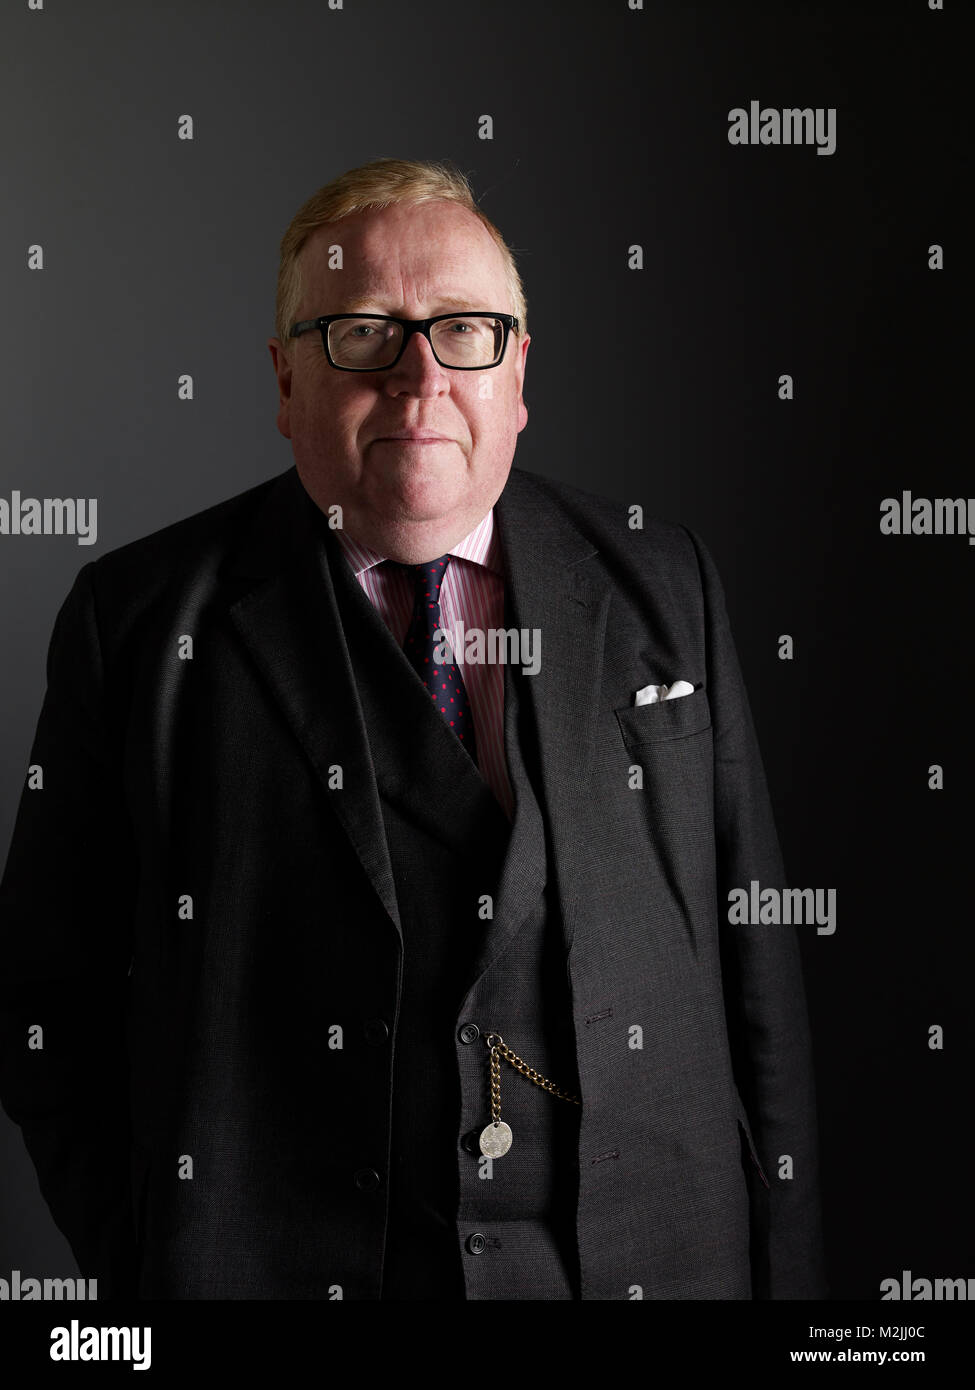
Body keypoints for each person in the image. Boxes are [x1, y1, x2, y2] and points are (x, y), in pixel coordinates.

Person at [0, 157, 826, 1300]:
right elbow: (46, 1000)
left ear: (519, 374)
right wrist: (150, 1260)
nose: (420, 376)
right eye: (362, 334)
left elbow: (757, 974)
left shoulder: (663, 585)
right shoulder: (136, 625)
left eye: (466, 332)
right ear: (285, 378)